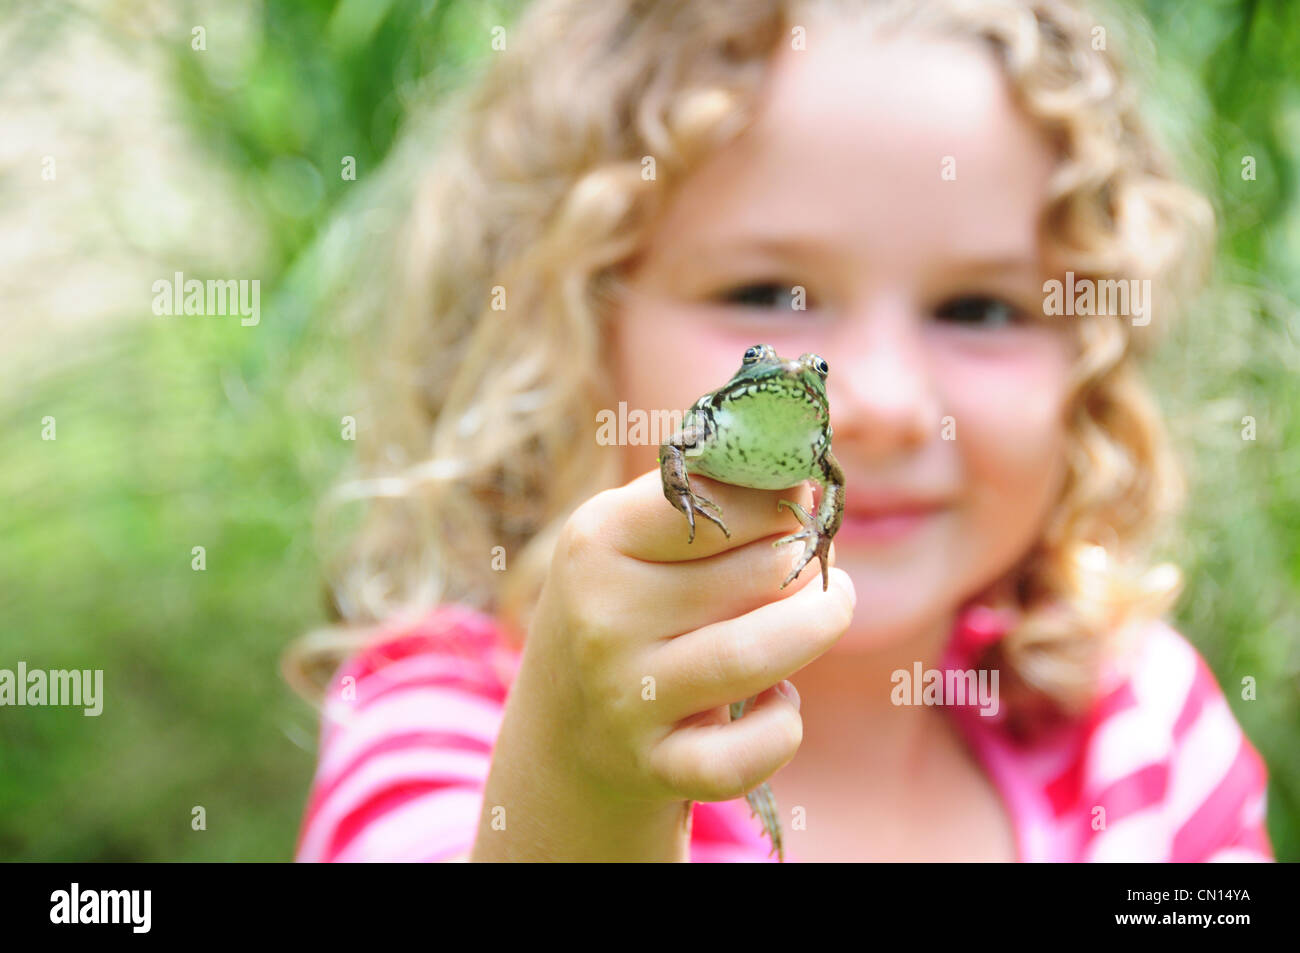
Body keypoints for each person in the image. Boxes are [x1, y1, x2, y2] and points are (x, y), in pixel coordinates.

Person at [287, 0, 1272, 862]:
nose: (882, 401)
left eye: (979, 308)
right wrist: (582, 787)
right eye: (768, 294)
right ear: (571, 327)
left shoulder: (1140, 725)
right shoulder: (447, 722)